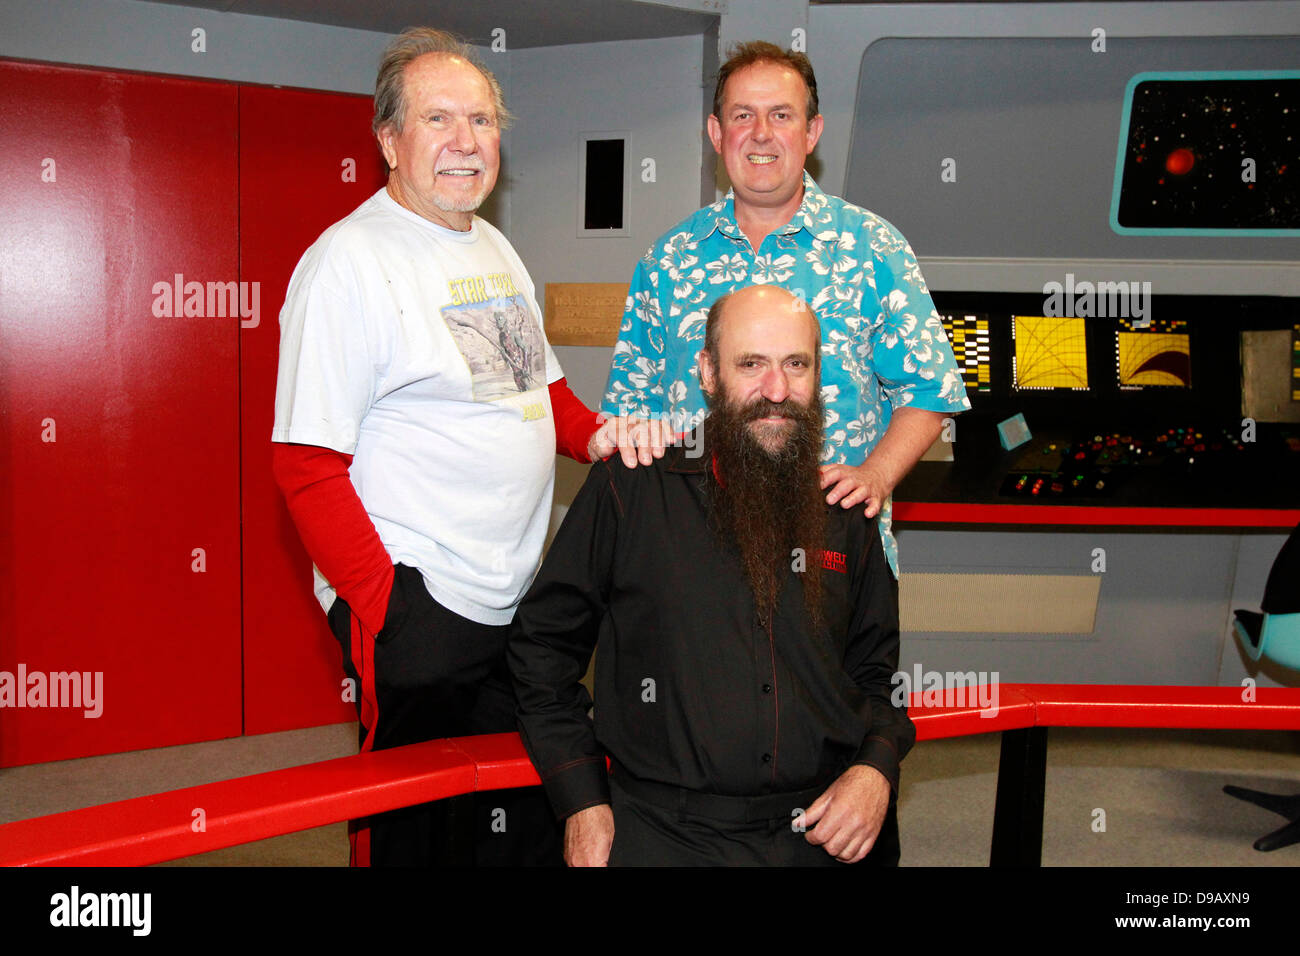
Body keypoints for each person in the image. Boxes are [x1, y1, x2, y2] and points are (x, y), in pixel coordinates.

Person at [271, 26, 667, 867]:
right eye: (439, 119)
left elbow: (535, 392)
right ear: (389, 140)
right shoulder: (348, 263)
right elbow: (305, 465)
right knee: (409, 822)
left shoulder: (491, 246)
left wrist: (601, 436)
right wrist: (389, 612)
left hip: (516, 595)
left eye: (482, 121)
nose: (465, 142)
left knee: (515, 806)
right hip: (420, 602)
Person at [511, 285, 913, 866]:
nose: (776, 391)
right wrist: (580, 800)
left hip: (828, 826)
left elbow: (876, 675)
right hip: (663, 833)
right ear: (707, 372)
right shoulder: (631, 490)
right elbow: (541, 649)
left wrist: (876, 768)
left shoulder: (845, 510)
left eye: (795, 365)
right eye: (750, 364)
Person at [602, 41, 970, 579]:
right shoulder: (668, 261)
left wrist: (876, 475)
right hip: (694, 562)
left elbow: (931, 390)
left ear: (812, 132)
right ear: (715, 132)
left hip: (832, 552)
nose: (761, 134)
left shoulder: (872, 248)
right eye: (742, 115)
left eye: (781, 115)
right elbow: (632, 411)